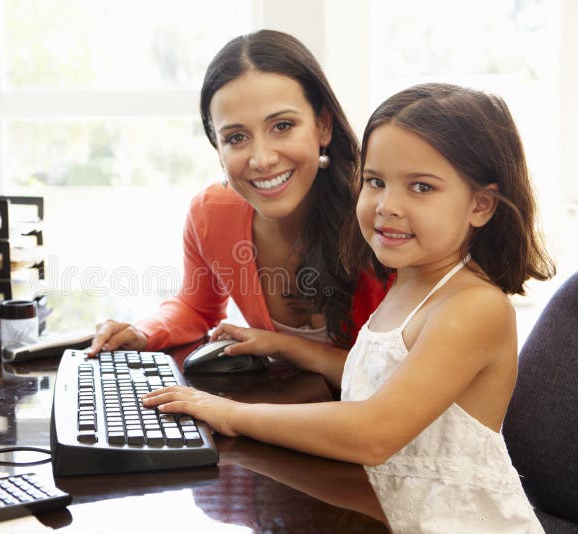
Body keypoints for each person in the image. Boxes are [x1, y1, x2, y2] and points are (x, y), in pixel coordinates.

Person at [143, 83, 555, 532]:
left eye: (421, 187)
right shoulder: (409, 285)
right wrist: (285, 346)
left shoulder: (473, 307)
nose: (387, 206)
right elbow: (380, 378)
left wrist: (231, 415)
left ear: (480, 205)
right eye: (375, 182)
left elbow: (373, 431)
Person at [90, 30, 388, 384]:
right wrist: (142, 333)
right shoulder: (211, 213)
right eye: (235, 138)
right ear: (217, 148)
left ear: (322, 125)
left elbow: (390, 379)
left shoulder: (380, 220)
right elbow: (196, 307)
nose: (261, 159)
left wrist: (278, 345)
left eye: (282, 126)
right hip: (287, 418)